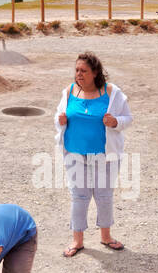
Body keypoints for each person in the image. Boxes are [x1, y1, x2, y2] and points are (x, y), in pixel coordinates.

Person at [55, 52, 132, 256]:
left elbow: (127, 118)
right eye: (77, 70)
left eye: (84, 71)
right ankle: (77, 240)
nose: (79, 74)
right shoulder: (69, 91)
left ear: (95, 72)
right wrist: (60, 120)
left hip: (104, 155)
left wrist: (116, 122)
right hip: (74, 154)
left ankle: (105, 236)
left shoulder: (112, 92)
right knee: (79, 195)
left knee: (104, 195)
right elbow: (59, 116)